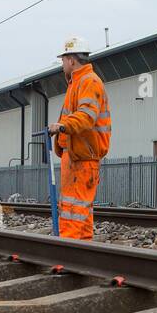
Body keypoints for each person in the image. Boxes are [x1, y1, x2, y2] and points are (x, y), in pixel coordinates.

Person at [47, 36, 111, 240]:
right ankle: (78, 250)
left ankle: (71, 252)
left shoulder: (89, 82)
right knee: (72, 208)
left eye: (63, 60)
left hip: (83, 157)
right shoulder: (76, 83)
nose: (62, 65)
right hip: (74, 156)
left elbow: (87, 116)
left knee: (76, 208)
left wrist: (62, 126)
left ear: (71, 60)